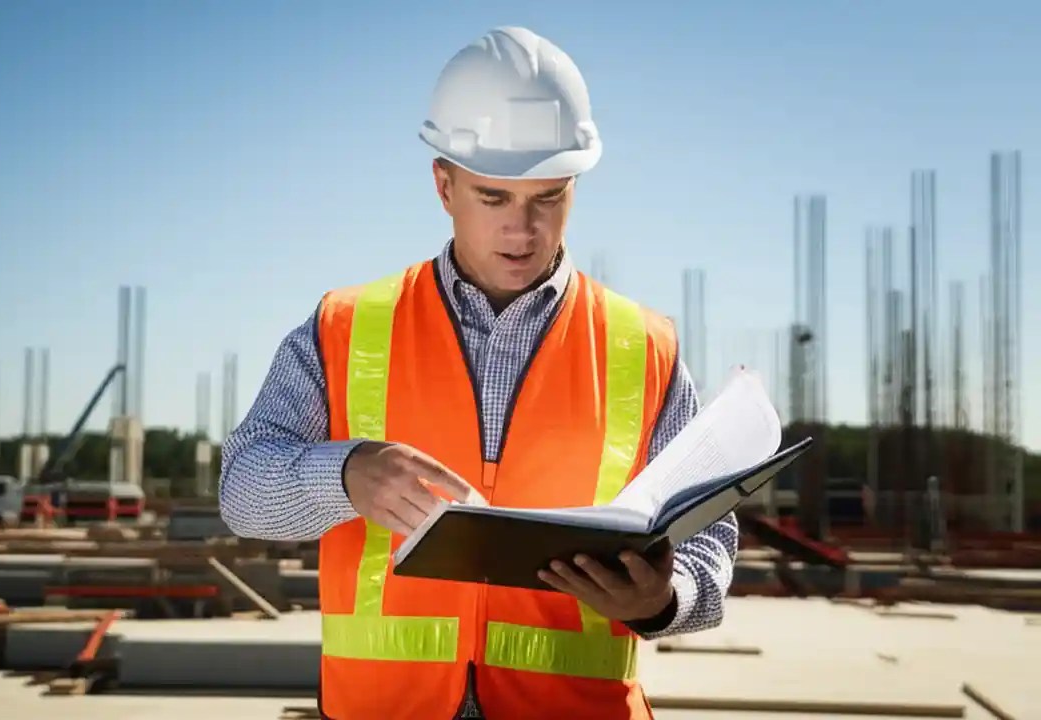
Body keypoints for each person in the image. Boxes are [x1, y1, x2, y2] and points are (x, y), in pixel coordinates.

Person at [220, 26, 737, 720]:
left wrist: (665, 602)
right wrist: (343, 475)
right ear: (444, 184)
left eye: (546, 198)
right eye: (493, 198)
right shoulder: (345, 327)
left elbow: (709, 545)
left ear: (575, 186)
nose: (521, 232)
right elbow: (241, 491)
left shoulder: (643, 348)